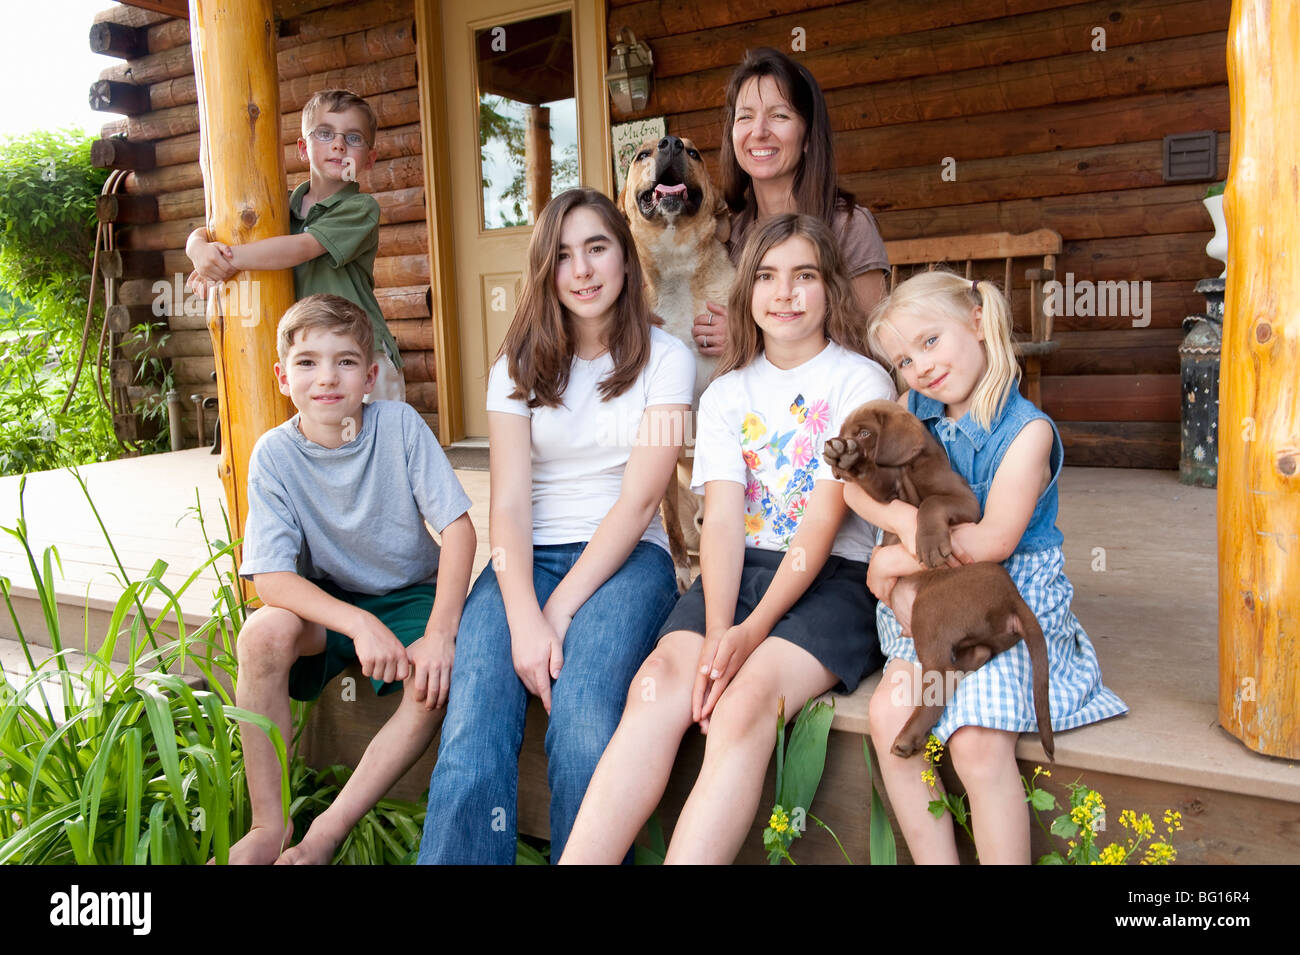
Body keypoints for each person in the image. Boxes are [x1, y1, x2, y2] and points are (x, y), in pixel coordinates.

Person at [559, 213, 895, 864]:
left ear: (831, 286)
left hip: (830, 581)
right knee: (656, 680)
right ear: (747, 291)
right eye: (767, 276)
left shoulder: (860, 382)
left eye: (805, 276)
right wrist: (719, 628)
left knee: (743, 705)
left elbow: (823, 524)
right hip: (735, 573)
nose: (785, 292)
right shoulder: (726, 394)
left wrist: (749, 633)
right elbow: (721, 518)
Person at [416, 188, 695, 865]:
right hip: (524, 558)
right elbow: (508, 502)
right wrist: (523, 614)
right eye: (563, 255)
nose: (582, 269)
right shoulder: (515, 365)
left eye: (597, 247)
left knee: (586, 723)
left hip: (627, 560)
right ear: (546, 270)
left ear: (626, 260)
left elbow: (638, 501)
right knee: (472, 729)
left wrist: (559, 608)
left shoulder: (667, 357)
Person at [851, 271, 1128, 864]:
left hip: (1005, 604)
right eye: (903, 359)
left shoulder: (1024, 432)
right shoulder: (910, 410)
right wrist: (901, 526)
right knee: (886, 714)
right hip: (935, 604)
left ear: (977, 322)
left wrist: (894, 558)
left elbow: (996, 540)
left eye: (930, 341)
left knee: (976, 744)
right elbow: (852, 490)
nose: (920, 367)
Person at [230, 293, 476, 864]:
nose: (326, 378)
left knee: (433, 679)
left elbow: (459, 533)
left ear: (369, 377)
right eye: (308, 362)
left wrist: (440, 630)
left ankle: (326, 833)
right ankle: (270, 824)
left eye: (344, 361)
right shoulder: (274, 454)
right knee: (261, 635)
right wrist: (357, 622)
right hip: (334, 607)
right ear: (282, 376)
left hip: (410, 596)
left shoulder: (399, 427)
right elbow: (270, 577)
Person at [185, 88, 406, 401]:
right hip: (311, 357)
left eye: (354, 137)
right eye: (325, 133)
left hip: (362, 354)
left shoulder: (360, 208)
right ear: (303, 148)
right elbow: (209, 232)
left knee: (380, 444)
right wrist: (198, 251)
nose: (339, 144)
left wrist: (226, 261)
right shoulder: (277, 214)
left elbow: (300, 248)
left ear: (370, 159)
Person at [692, 47, 889, 356]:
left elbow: (873, 345)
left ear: (808, 135)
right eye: (745, 117)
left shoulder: (847, 225)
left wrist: (749, 336)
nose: (758, 132)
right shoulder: (731, 234)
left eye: (779, 116)